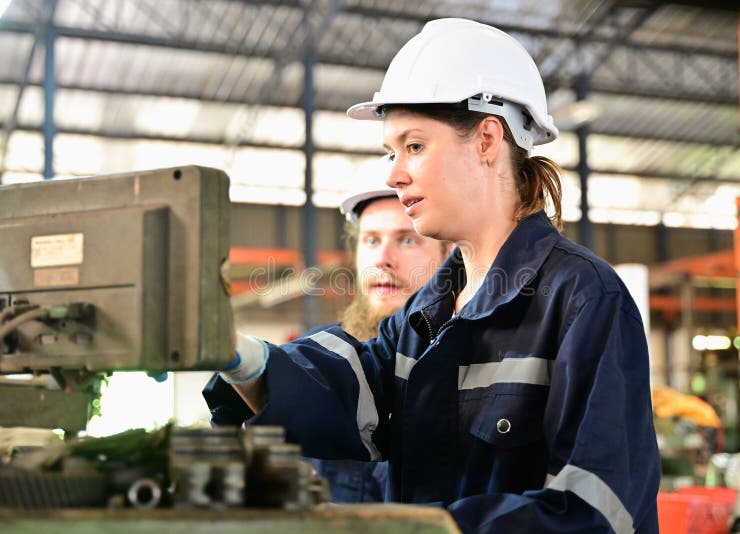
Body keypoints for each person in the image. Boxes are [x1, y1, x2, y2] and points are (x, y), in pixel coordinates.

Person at [220, 18, 660, 533]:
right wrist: (234, 353)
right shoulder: (427, 312)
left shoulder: (583, 299)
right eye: (391, 151)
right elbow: (346, 394)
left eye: (414, 146)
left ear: (487, 140)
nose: (393, 172)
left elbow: (599, 513)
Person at [203, 157, 451, 502]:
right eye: (371, 240)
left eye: (407, 240)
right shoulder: (312, 361)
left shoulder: (464, 371)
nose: (384, 259)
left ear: (450, 254)